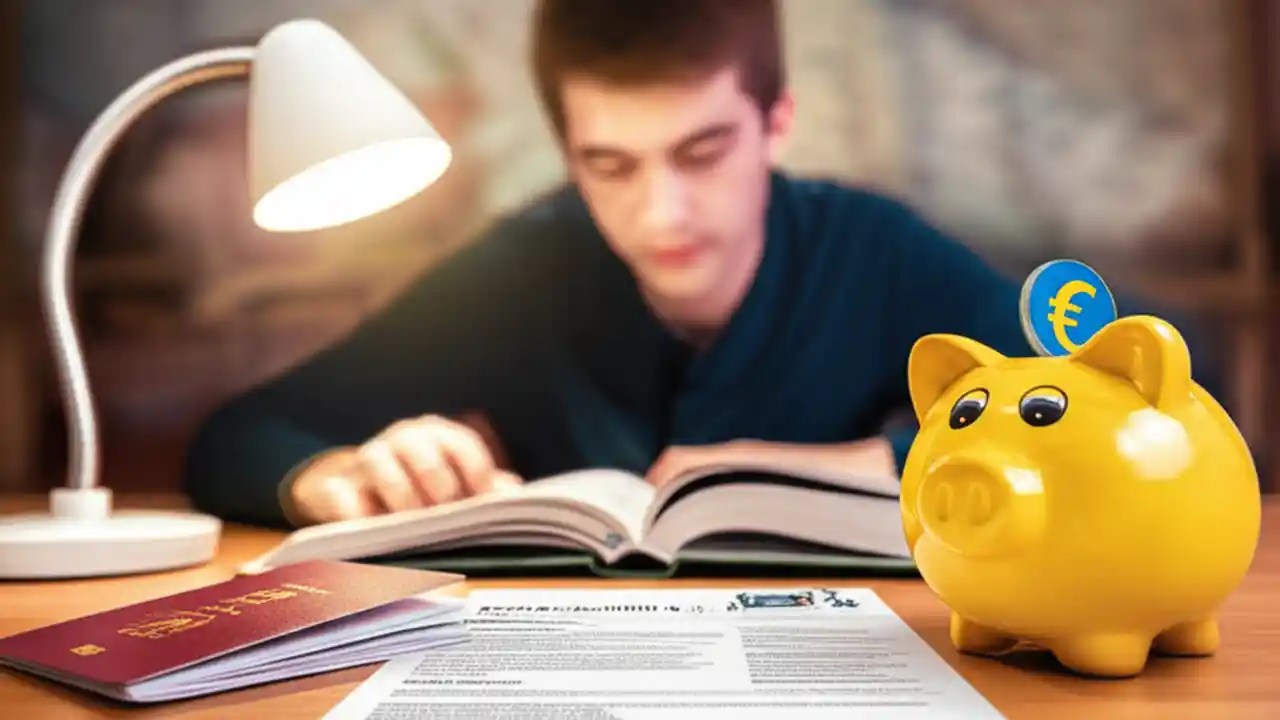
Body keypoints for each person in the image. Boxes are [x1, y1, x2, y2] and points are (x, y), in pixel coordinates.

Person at [183, 0, 1221, 528]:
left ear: (775, 121)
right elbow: (237, 435)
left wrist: (890, 461)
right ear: (568, 154)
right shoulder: (525, 266)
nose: (659, 212)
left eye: (700, 152)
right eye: (608, 165)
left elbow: (1160, 418)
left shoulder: (876, 250)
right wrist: (332, 477)